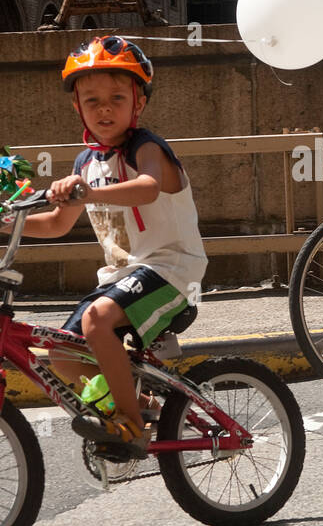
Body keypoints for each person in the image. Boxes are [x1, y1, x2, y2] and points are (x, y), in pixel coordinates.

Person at [14, 36, 207, 458]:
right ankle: (139, 406)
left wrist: (87, 193)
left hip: (171, 271)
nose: (105, 108)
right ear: (77, 107)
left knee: (98, 320)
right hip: (122, 279)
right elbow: (58, 224)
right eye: (93, 99)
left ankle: (130, 427)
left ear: (138, 103)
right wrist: (8, 224)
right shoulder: (86, 162)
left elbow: (148, 189)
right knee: (59, 355)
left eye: (117, 98)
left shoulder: (145, 147)